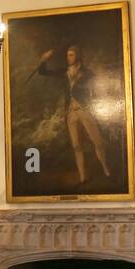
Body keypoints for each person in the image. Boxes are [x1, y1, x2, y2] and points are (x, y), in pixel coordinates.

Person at [36, 46, 111, 187]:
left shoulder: (88, 73)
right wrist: (43, 59)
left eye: (70, 55)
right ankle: (83, 177)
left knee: (97, 142)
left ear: (77, 56)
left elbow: (96, 89)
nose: (68, 58)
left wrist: (91, 103)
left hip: (83, 110)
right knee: (76, 146)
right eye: (67, 55)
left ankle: (106, 169)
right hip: (70, 112)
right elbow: (43, 72)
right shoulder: (64, 72)